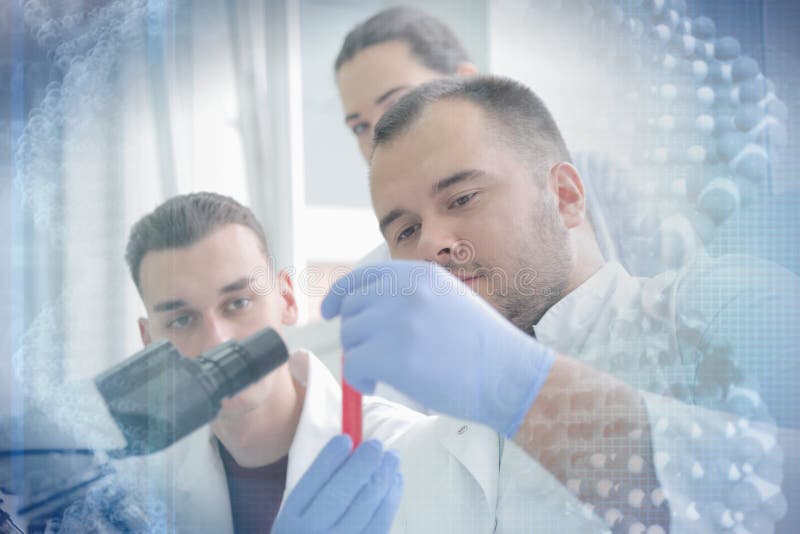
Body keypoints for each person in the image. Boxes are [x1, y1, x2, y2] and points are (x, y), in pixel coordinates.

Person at [321, 76, 798, 532]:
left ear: (566, 197)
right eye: (406, 231)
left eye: (462, 198)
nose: (432, 246)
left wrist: (526, 391)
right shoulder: (425, 453)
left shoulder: (722, 305)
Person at [123, 192, 420, 533]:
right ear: (149, 343)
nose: (217, 342)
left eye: (238, 303)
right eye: (181, 320)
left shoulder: (404, 447)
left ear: (287, 300)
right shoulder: (139, 490)